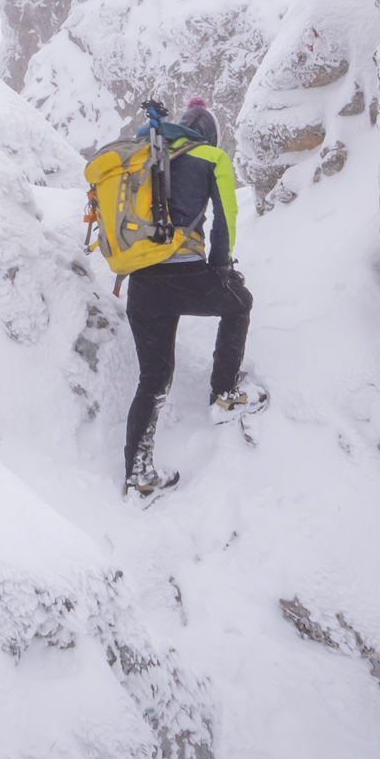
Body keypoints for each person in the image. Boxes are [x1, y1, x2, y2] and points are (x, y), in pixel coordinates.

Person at [123, 97, 267, 502]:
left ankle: (138, 478)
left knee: (153, 377)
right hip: (185, 276)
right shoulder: (211, 156)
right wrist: (221, 268)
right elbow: (226, 218)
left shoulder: (145, 155)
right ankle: (223, 394)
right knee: (239, 303)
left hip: (141, 283)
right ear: (209, 134)